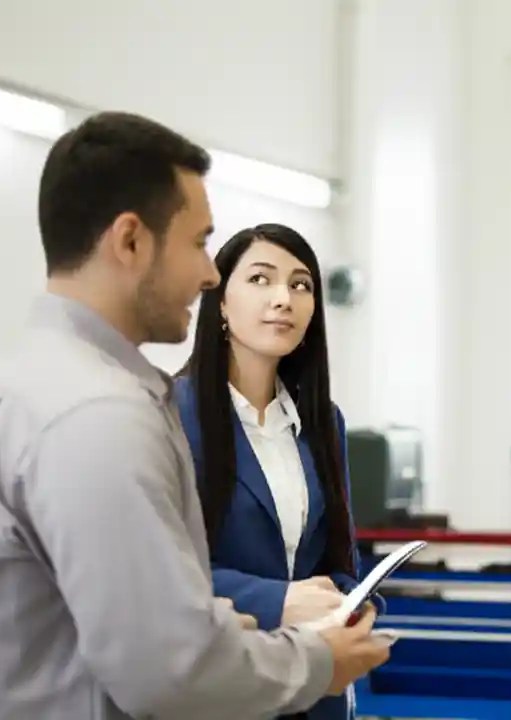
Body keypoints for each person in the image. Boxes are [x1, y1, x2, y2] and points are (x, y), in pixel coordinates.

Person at [0, 111, 389, 720]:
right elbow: (174, 665)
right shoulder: (101, 414)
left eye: (300, 285)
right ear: (131, 241)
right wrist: (319, 658)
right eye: (198, 243)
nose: (208, 274)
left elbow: (139, 614)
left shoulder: (18, 384)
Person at [173, 223, 365, 720]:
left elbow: (338, 558)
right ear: (220, 301)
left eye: (301, 285)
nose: (284, 298)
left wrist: (352, 603)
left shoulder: (324, 422)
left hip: (314, 688)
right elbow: (159, 573)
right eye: (261, 279)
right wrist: (277, 601)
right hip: (218, 687)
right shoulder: (168, 414)